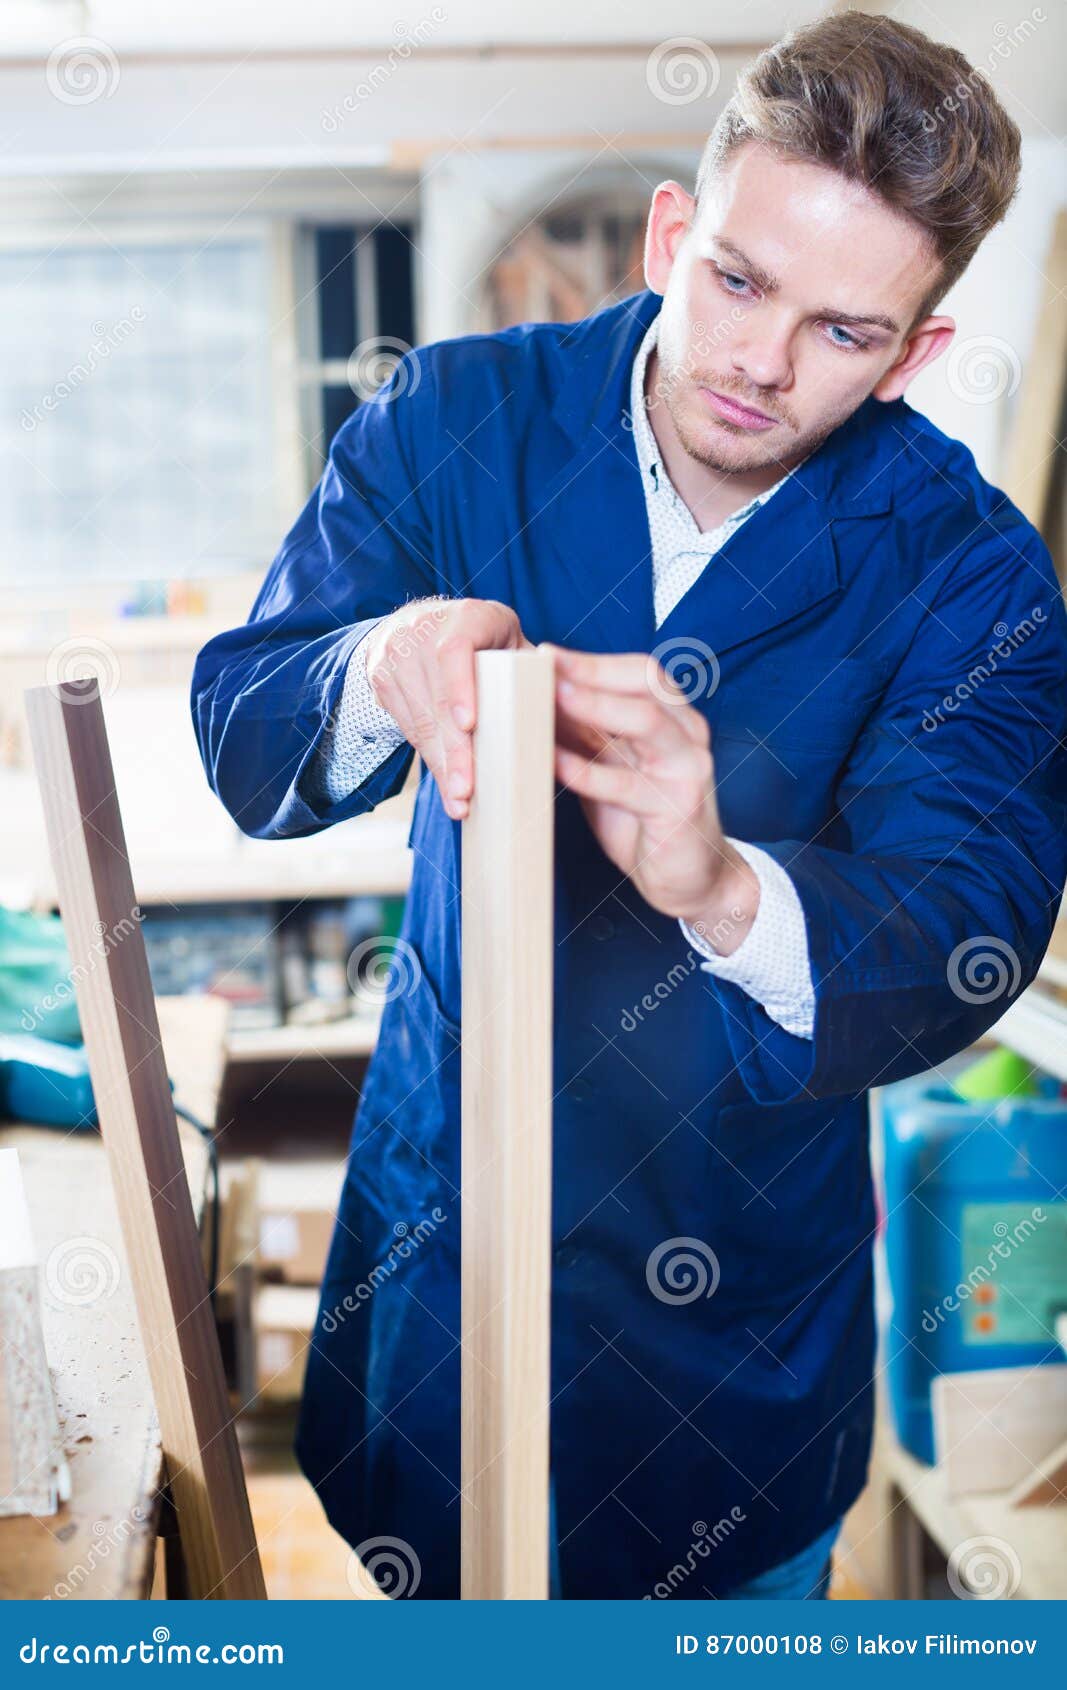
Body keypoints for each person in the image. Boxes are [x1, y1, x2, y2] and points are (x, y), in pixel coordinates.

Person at [191, 11, 1067, 1598]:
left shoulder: (975, 572)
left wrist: (725, 885)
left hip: (734, 1350)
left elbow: (970, 931)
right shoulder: (456, 419)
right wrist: (378, 664)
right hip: (443, 1275)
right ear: (676, 230)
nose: (761, 362)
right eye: (738, 280)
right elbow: (244, 730)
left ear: (918, 352)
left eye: (843, 333)